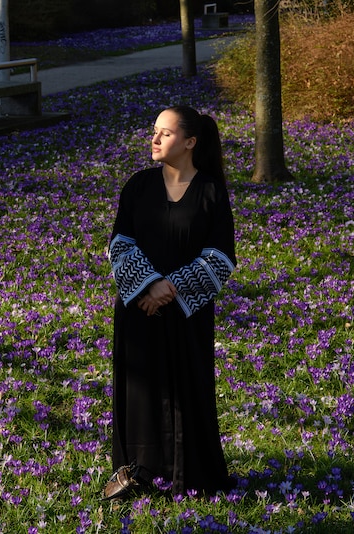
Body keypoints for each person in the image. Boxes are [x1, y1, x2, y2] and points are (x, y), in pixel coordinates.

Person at [104, 105, 237, 499]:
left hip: (187, 312)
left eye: (166, 133)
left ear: (190, 142)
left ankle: (190, 475)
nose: (155, 138)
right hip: (137, 308)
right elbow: (119, 244)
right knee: (139, 390)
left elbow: (221, 256)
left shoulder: (211, 191)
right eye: (155, 131)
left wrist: (171, 288)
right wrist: (147, 285)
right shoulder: (138, 186)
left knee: (186, 389)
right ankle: (135, 474)